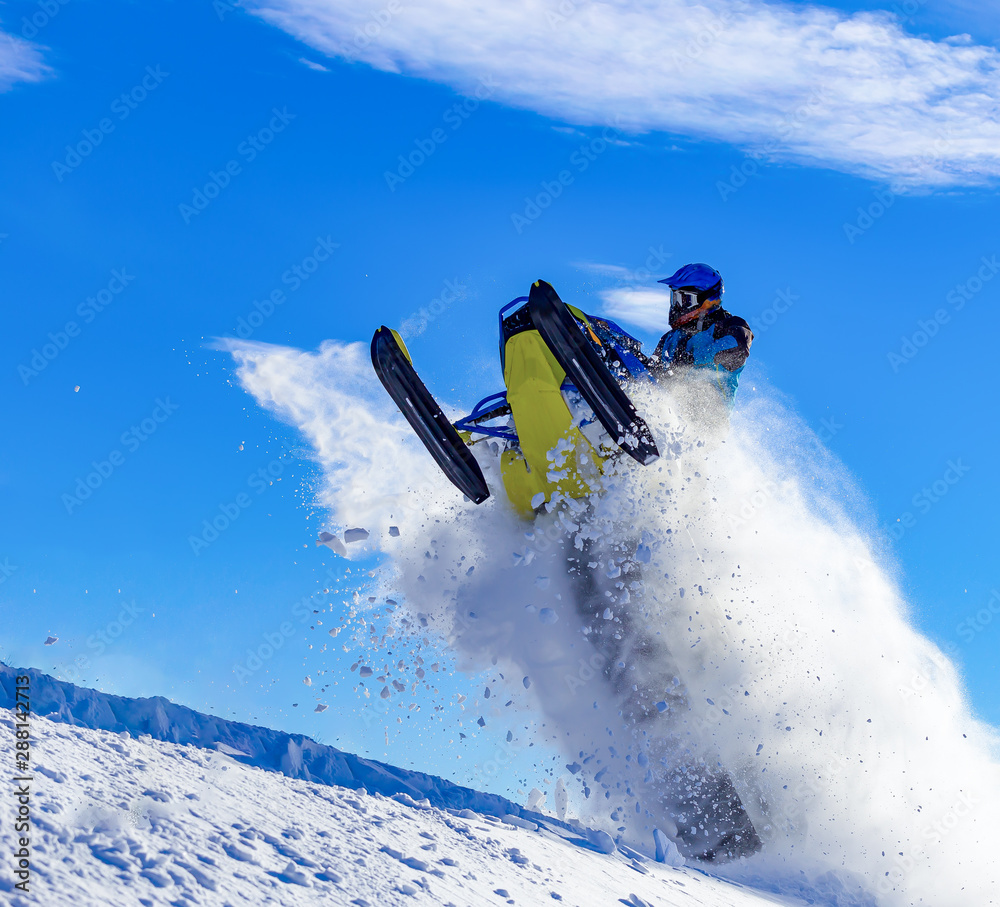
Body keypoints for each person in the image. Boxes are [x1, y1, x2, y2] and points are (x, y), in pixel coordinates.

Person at [652, 263, 753, 405]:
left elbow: (738, 347)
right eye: (675, 299)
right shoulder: (670, 338)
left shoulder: (730, 326)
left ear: (708, 300)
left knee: (700, 391)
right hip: (663, 405)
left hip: (707, 417)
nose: (677, 306)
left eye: (685, 300)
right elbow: (651, 371)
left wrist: (691, 359)